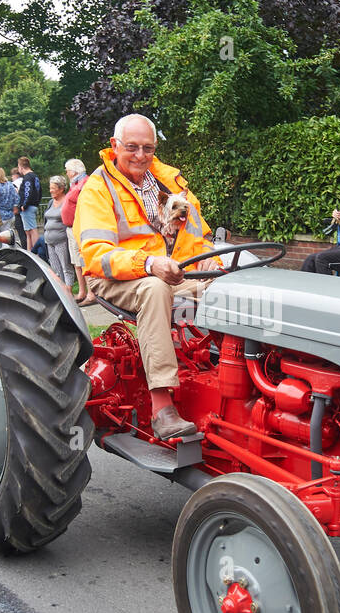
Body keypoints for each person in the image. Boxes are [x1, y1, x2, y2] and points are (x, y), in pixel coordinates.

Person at [75, 113, 220, 440]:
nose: (140, 155)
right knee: (155, 289)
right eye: (132, 147)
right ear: (115, 146)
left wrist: (210, 256)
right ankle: (161, 406)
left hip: (172, 270)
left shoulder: (171, 182)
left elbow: (200, 233)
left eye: (148, 148)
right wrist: (149, 263)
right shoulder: (98, 187)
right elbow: (96, 253)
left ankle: (230, 374)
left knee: (231, 281)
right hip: (115, 275)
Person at [62, 158, 94, 304]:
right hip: (72, 228)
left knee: (83, 261)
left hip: (81, 228)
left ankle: (91, 294)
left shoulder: (85, 183)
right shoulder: (74, 184)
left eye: (67, 170)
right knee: (76, 262)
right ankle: (82, 292)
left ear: (74, 171)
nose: (66, 173)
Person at [42, 175, 73, 290]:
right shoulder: (51, 202)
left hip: (61, 240)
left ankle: (68, 291)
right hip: (49, 240)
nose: (50, 191)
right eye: (50, 188)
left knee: (66, 267)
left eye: (53, 188)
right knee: (56, 268)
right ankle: (60, 291)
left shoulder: (66, 202)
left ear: (61, 189)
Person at [17, 157, 41, 250]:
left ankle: (36, 251)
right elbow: (39, 191)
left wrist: (24, 205)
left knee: (32, 230)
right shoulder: (35, 176)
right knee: (28, 231)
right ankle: (30, 251)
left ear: (21, 167)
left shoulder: (27, 177)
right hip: (33, 205)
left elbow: (28, 191)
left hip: (28, 207)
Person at [0, 167, 19, 247]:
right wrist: (15, 208)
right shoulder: (10, 185)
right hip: (10, 214)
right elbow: (17, 198)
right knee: (9, 237)